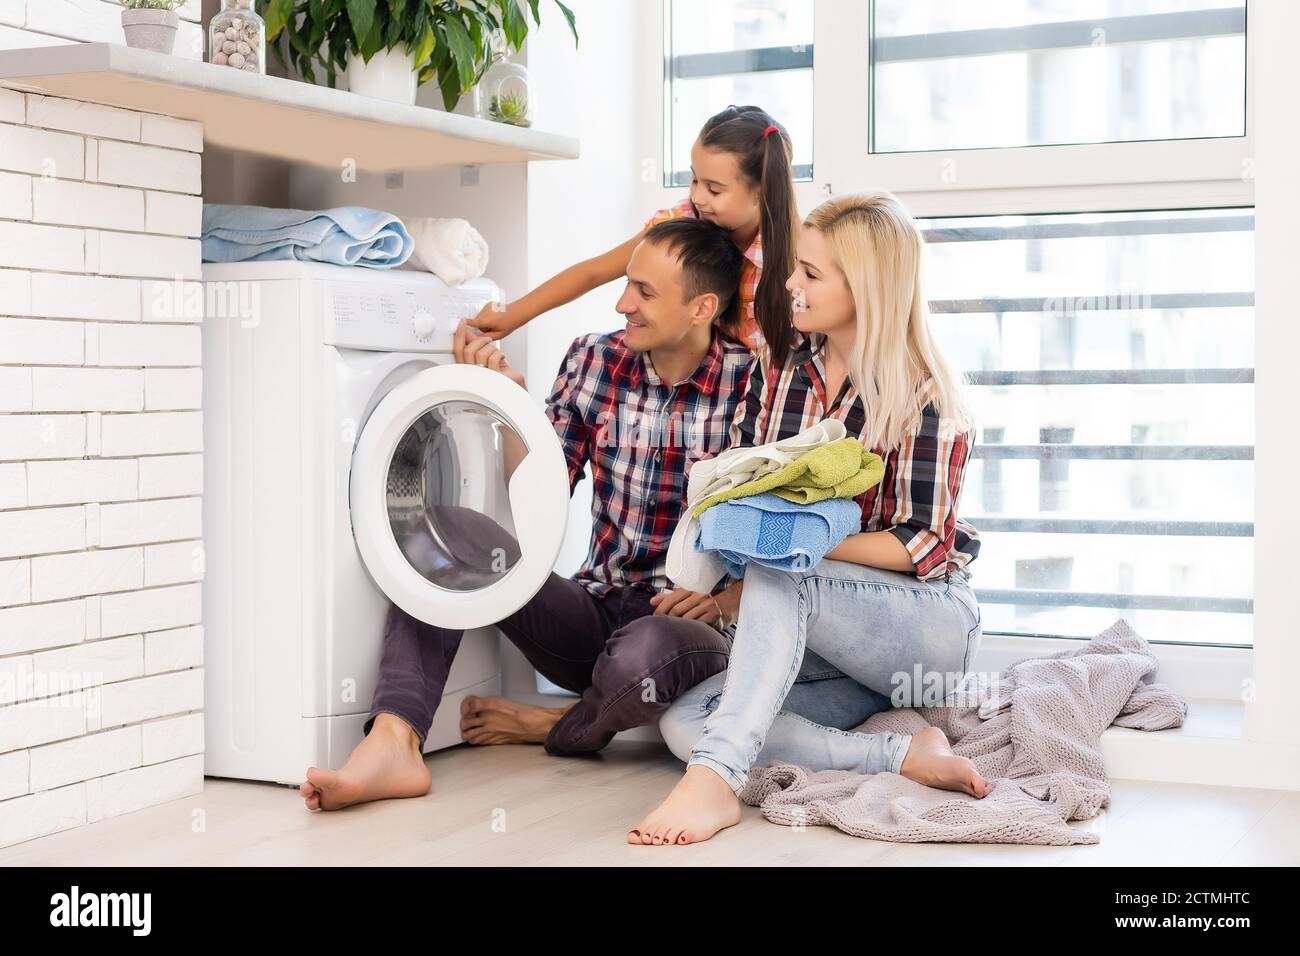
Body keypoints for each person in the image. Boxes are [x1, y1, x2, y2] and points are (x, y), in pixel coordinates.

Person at [300, 217, 754, 811]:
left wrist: (724, 602)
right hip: (596, 612)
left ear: (702, 307)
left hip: (687, 629)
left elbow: (781, 538)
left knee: (644, 652)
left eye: (644, 292)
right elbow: (539, 490)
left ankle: (556, 725)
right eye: (627, 285)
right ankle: (393, 740)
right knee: (443, 529)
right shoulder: (594, 360)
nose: (623, 303)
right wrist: (510, 400)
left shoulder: (755, 385)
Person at [629, 192, 990, 847]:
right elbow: (744, 487)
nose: (789, 284)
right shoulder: (781, 376)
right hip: (829, 650)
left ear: (869, 288)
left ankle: (716, 781)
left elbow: (923, 544)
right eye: (795, 268)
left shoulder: (925, 392)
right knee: (685, 721)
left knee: (785, 559)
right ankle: (903, 753)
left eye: (811, 274)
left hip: (924, 627)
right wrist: (748, 549)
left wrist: (799, 544)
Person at [467, 104, 800, 357]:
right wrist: (513, 314)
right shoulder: (681, 220)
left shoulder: (798, 253)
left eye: (714, 189)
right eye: (694, 179)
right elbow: (594, 272)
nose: (698, 197)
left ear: (760, 191)